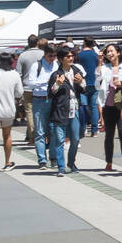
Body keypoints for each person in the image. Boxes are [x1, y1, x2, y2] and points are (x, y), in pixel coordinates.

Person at [48, 46, 85, 176]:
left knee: (75, 138)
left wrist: (82, 82)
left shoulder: (77, 71)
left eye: (72, 56)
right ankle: (61, 166)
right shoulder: (56, 75)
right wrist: (57, 84)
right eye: (68, 56)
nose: (71, 58)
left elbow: (84, 89)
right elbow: (50, 94)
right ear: (60, 59)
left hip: (74, 109)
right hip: (60, 110)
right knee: (60, 139)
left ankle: (71, 162)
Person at [98, 43, 122, 173]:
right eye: (107, 52)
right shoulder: (104, 68)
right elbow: (97, 83)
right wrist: (99, 63)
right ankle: (109, 162)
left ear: (118, 52)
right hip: (108, 105)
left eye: (111, 51)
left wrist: (121, 84)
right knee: (109, 135)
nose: (109, 53)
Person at [0, 52, 23, 171]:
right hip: (9, 109)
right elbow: (19, 93)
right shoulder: (15, 75)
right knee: (7, 136)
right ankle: (7, 162)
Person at [31, 44, 59, 169]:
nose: (52, 58)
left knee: (53, 130)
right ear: (45, 54)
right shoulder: (36, 65)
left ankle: (53, 157)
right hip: (39, 99)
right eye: (50, 55)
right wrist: (45, 81)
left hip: (53, 99)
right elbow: (30, 83)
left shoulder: (56, 65)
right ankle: (42, 159)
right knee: (40, 131)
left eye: (54, 56)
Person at [16, 34, 44, 143]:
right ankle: (36, 135)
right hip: (41, 88)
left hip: (27, 87)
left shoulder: (23, 56)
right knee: (40, 112)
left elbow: (18, 73)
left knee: (30, 113)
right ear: (37, 43)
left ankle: (32, 135)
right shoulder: (43, 54)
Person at [76, 37, 101, 138]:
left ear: (84, 43)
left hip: (83, 83)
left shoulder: (79, 55)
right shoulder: (96, 55)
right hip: (95, 83)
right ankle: (94, 130)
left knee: (84, 106)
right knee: (94, 107)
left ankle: (84, 128)